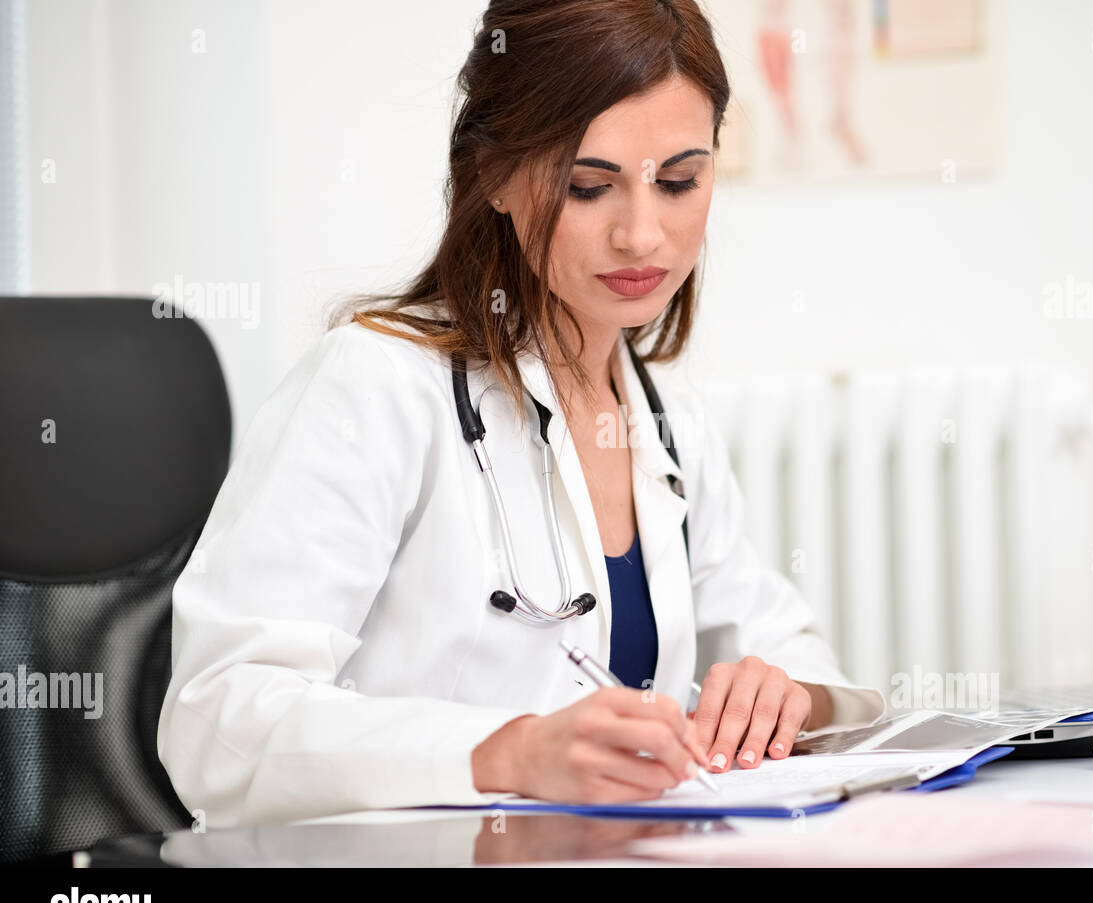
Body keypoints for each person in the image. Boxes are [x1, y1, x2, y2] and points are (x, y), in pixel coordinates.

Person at [157, 0, 884, 828]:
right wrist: (509, 750)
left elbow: (786, 645)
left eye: (680, 180)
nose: (643, 235)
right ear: (495, 174)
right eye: (587, 186)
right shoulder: (377, 386)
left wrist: (788, 694)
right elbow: (218, 721)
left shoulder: (662, 414)